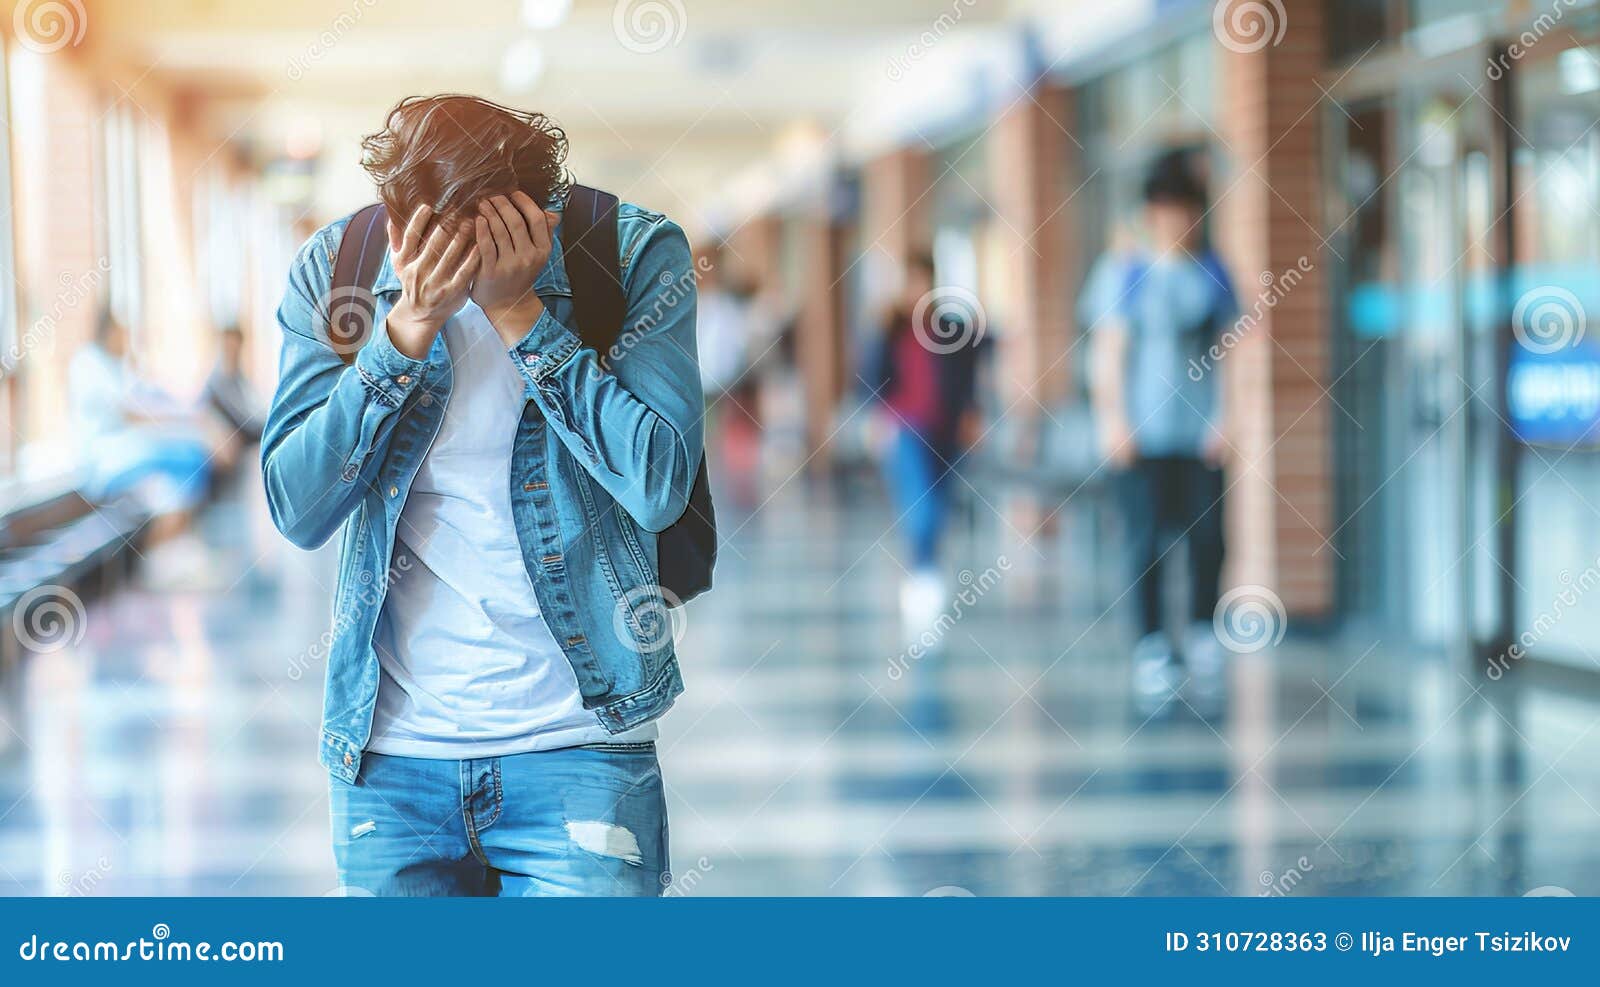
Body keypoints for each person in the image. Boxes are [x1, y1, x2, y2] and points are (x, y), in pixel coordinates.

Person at [262, 95, 702, 896]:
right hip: (391, 763)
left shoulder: (631, 252)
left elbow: (659, 482)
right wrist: (402, 336)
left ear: (544, 212)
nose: (452, 263)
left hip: (583, 748)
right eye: (427, 235)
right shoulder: (339, 273)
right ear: (396, 215)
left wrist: (522, 314)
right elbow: (297, 507)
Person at [1084, 149, 1237, 699]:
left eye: (1188, 211)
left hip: (1199, 435)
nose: (1178, 223)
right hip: (1141, 435)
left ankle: (1201, 630)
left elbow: (1230, 349)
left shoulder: (1213, 272)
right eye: (1169, 211)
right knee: (1144, 542)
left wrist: (1228, 417)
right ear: (1152, 214)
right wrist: (1114, 421)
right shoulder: (1125, 273)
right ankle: (1151, 643)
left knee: (1209, 541)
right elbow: (1109, 351)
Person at [868, 250, 983, 643]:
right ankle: (923, 573)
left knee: (940, 500)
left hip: (946, 431)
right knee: (920, 505)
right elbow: (871, 380)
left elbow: (970, 376)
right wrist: (877, 421)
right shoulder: (889, 330)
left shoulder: (951, 328)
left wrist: (971, 415)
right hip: (904, 429)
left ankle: (927, 568)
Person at [69, 310, 225, 583]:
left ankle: (166, 556)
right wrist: (184, 418)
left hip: (127, 452)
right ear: (107, 332)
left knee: (184, 473)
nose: (126, 343)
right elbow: (132, 412)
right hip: (104, 459)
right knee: (190, 457)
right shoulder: (89, 363)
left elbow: (146, 398)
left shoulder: (116, 365)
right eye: (122, 336)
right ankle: (157, 561)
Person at [201, 325, 265, 444]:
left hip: (246, 434)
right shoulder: (216, 382)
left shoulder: (239, 378)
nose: (232, 352)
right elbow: (206, 413)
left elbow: (248, 411)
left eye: (235, 347)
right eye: (228, 347)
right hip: (227, 439)